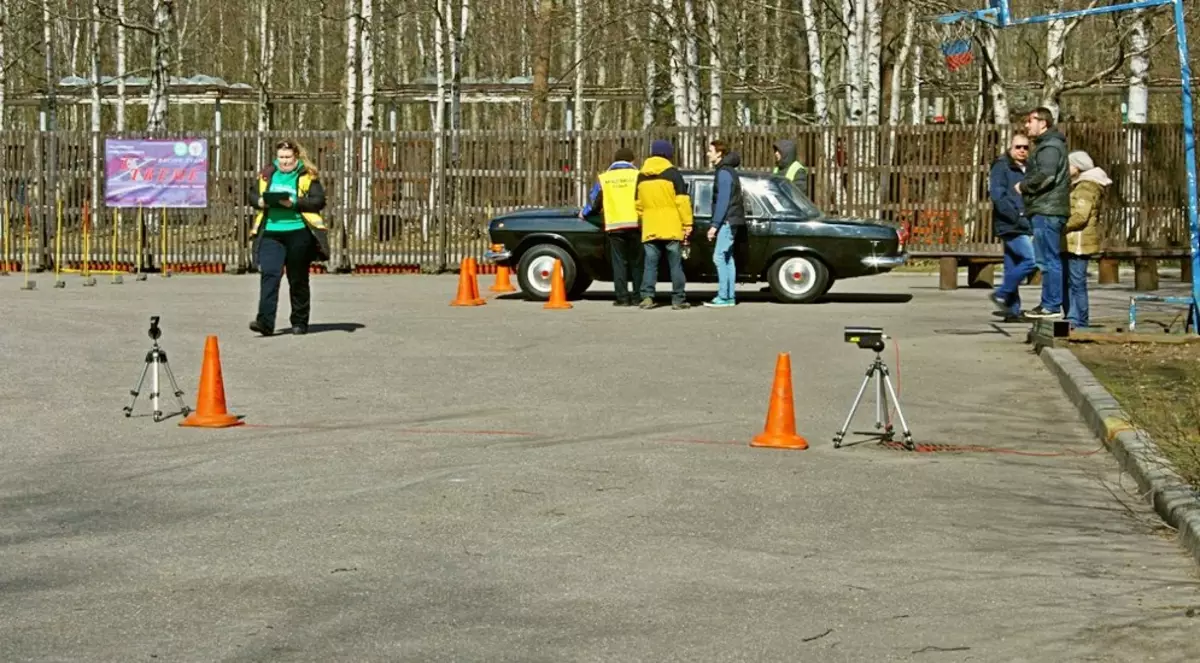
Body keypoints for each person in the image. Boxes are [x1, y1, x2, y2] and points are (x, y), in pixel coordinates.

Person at [247, 139, 330, 336]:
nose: (284, 161)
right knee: (270, 275)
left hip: (298, 232)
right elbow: (252, 194)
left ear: (296, 157)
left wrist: (293, 203)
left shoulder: (307, 176)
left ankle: (300, 321)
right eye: (281, 157)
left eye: (288, 157)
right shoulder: (267, 175)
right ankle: (265, 322)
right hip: (271, 232)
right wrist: (260, 201)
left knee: (298, 278)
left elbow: (318, 201)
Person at [1017, 107, 1071, 319]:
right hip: (1044, 208)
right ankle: (1048, 303)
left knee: (1049, 260)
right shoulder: (1046, 146)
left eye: (1030, 120)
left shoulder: (1050, 147)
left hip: (1047, 209)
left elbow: (1046, 176)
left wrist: (1024, 186)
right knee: (1045, 260)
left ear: (1043, 123)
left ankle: (1052, 305)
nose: (1027, 125)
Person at [635, 139, 693, 310]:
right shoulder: (673, 174)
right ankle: (678, 299)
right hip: (672, 226)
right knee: (675, 264)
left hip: (650, 226)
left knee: (650, 264)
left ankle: (647, 297)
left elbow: (637, 204)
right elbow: (682, 201)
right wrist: (687, 224)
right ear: (669, 154)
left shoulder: (641, 175)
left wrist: (643, 220)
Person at [580, 147, 643, 306]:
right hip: (636, 225)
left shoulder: (605, 178)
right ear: (632, 161)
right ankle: (637, 297)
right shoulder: (638, 176)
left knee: (619, 263)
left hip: (615, 227)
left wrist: (585, 212)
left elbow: (594, 202)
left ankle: (622, 298)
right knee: (637, 263)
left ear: (614, 161)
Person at [988, 132, 1037, 321]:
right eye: (1018, 147)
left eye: (1026, 147)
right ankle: (1002, 292)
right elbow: (998, 196)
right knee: (1030, 260)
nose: (1022, 151)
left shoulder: (1030, 168)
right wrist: (1016, 217)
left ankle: (1012, 310)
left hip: (1025, 221)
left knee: (1013, 266)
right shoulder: (1002, 167)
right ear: (1010, 148)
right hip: (1011, 224)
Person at [1061, 150, 1111, 330]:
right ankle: (1072, 317)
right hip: (1073, 241)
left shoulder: (1086, 187)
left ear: (1077, 166)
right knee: (1070, 281)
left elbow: (1080, 216)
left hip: (1079, 242)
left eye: (1069, 165)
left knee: (1076, 282)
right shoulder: (1081, 185)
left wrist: (1061, 226)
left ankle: (1079, 321)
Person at [705, 139, 745, 308]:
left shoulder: (723, 173)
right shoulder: (728, 171)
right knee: (728, 258)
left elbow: (723, 201)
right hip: (733, 219)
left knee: (719, 257)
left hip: (727, 221)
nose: (708, 153)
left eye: (710, 150)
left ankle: (724, 296)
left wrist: (714, 225)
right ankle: (729, 296)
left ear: (719, 153)